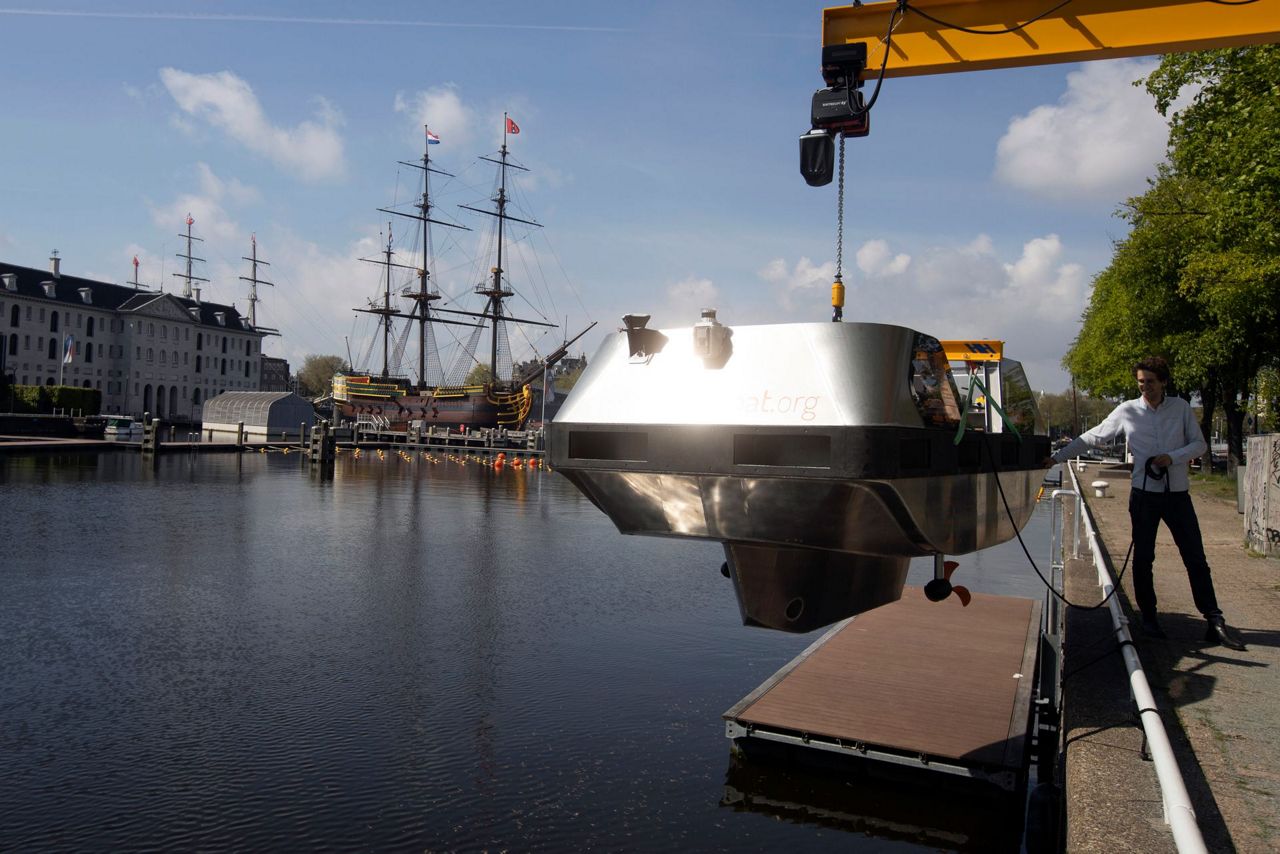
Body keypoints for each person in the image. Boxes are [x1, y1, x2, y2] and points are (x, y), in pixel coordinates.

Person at [1051, 356, 1246, 651]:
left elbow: (1199, 444)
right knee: (1143, 558)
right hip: (1144, 494)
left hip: (1177, 494)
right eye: (1141, 382)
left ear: (1163, 382)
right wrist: (1056, 458)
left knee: (1195, 557)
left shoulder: (1180, 408)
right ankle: (1150, 618)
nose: (1146, 388)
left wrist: (1173, 457)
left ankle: (1213, 618)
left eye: (1151, 382)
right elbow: (1093, 437)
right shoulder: (1127, 411)